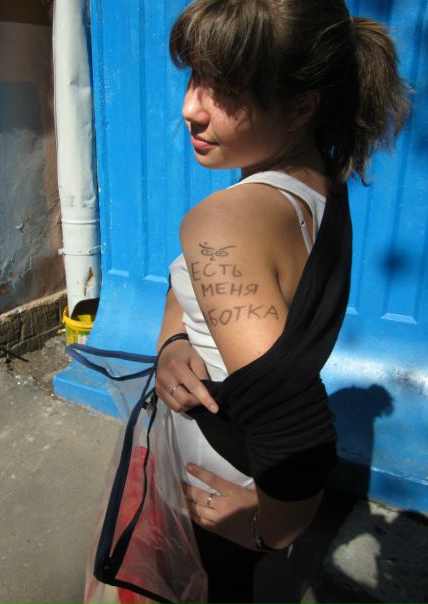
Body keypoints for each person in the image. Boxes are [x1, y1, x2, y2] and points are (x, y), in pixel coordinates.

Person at [154, 1, 409, 602]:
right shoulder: (316, 184)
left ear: (300, 107)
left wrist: (270, 530)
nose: (191, 107)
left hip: (213, 474)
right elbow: (197, 283)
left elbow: (295, 434)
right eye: (197, 75)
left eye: (227, 89)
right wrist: (173, 339)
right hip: (228, 459)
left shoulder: (226, 221)